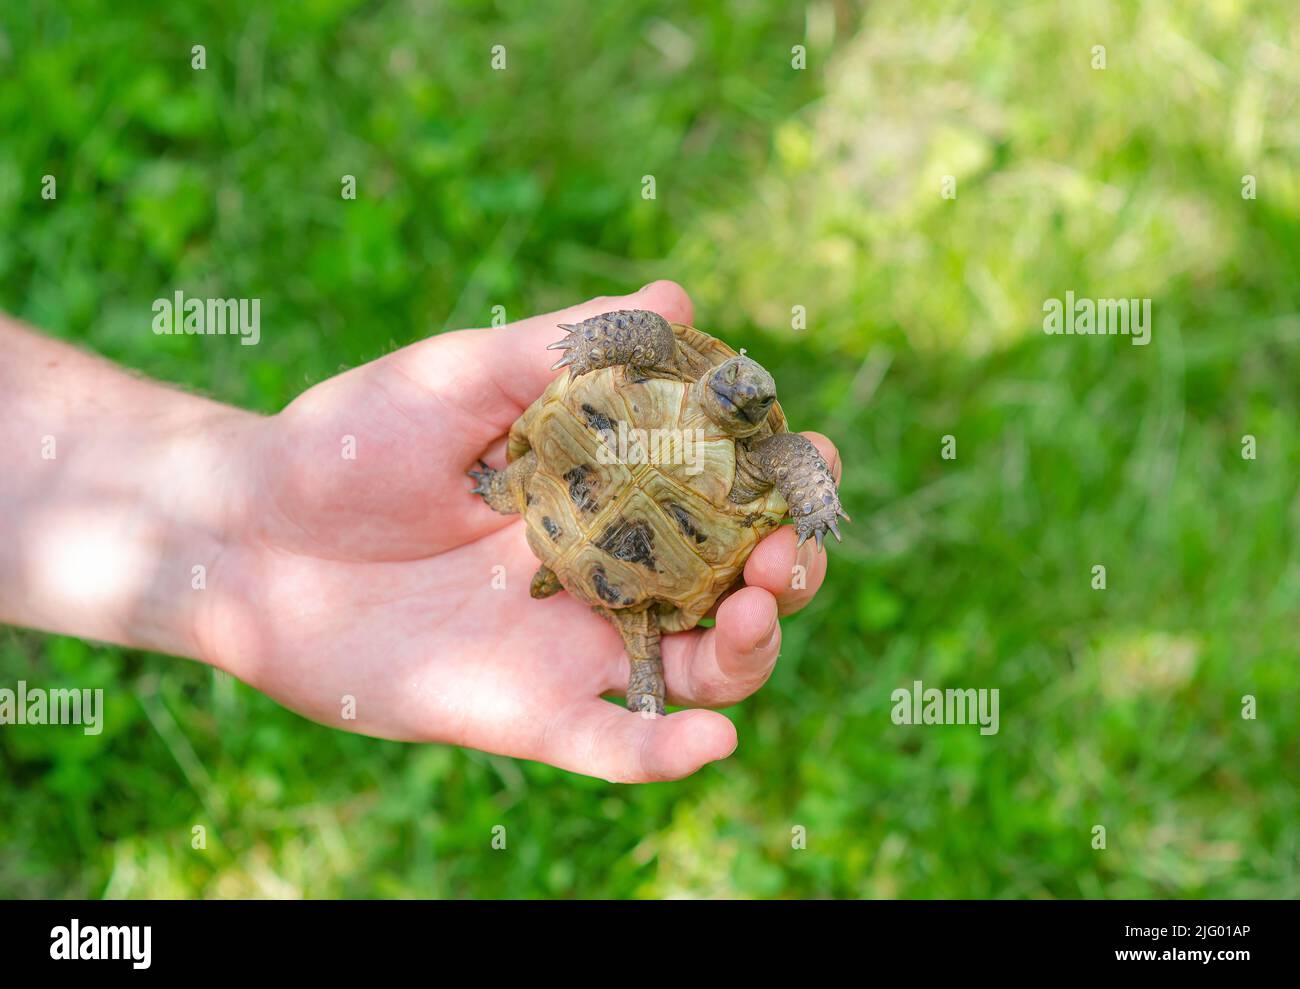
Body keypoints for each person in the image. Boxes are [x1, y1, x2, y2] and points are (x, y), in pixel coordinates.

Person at [0, 281, 840, 782]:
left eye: (746, 396)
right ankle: (596, 590)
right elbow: (638, 335)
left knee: (650, 607)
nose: (736, 389)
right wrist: (597, 339)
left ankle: (622, 625)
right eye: (734, 380)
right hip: (561, 490)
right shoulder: (666, 356)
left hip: (585, 514)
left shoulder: (765, 450)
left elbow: (797, 469)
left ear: (754, 413)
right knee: (642, 590)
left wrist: (243, 519)